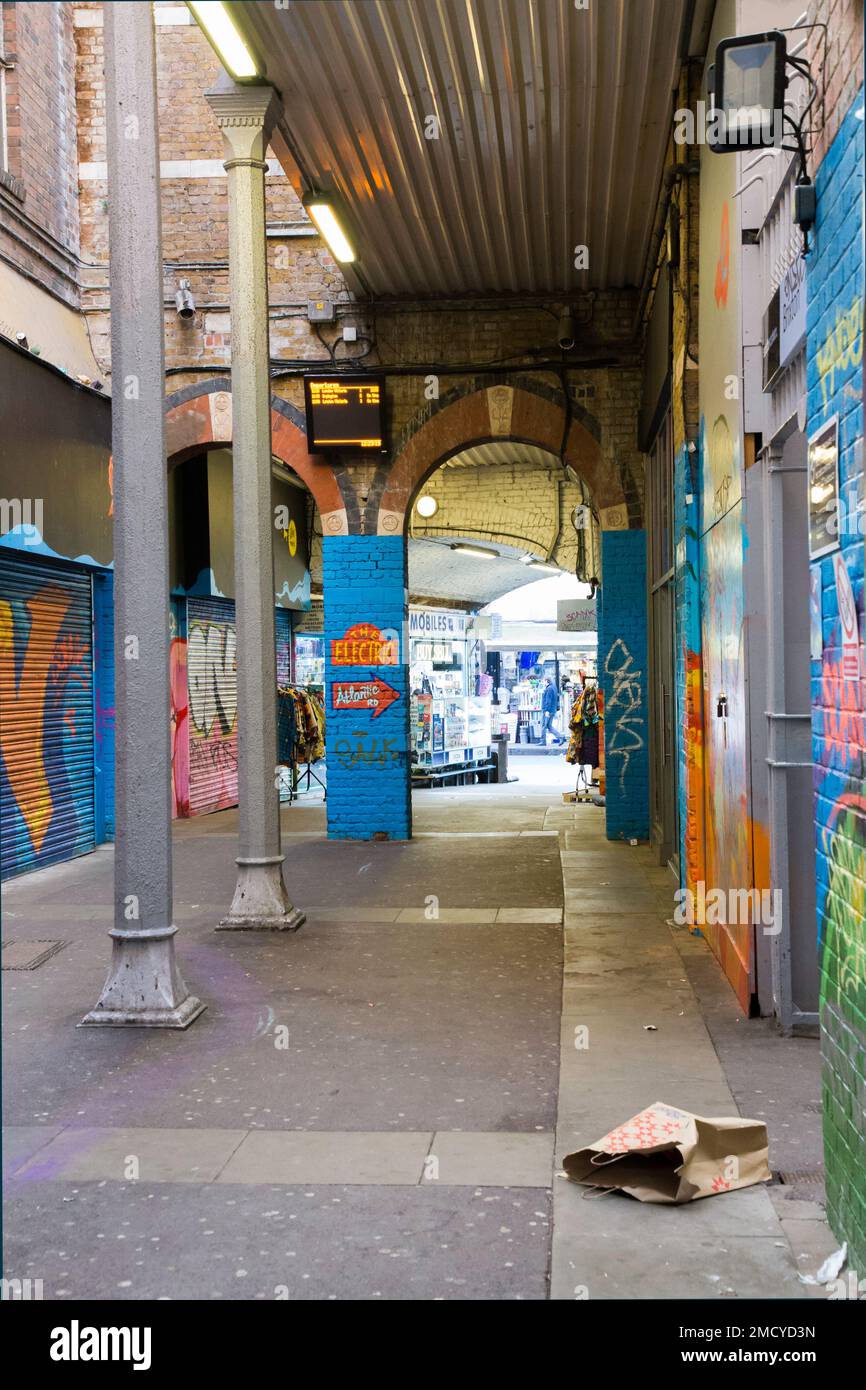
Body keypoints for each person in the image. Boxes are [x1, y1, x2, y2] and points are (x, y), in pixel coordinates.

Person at [540, 676, 566, 745]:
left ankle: (543, 741)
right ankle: (561, 737)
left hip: (548, 710)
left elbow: (548, 700)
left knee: (543, 725)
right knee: (549, 726)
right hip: (552, 710)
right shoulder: (554, 688)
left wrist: (546, 711)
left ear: (547, 681)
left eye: (543, 681)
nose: (543, 683)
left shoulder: (549, 689)